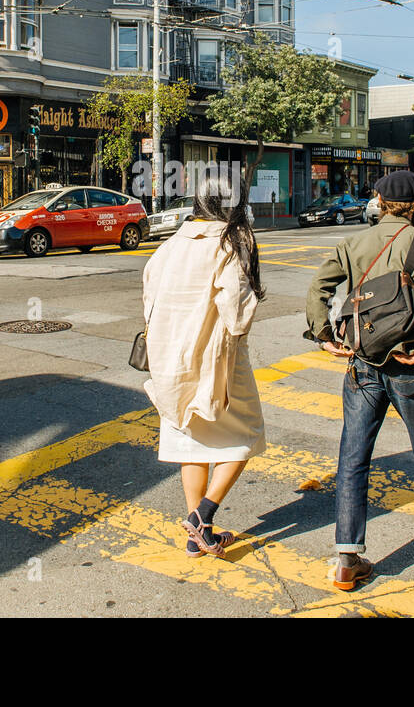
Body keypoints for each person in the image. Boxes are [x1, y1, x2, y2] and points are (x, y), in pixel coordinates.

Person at [306, 170, 414, 592]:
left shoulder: (352, 243)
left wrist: (324, 337)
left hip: (362, 361)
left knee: (354, 454)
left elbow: (318, 290)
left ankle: (347, 557)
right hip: (407, 358)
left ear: (378, 201)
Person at [141, 166, 265, 558]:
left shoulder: (173, 242)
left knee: (189, 443)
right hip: (218, 361)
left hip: (170, 361)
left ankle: (197, 533)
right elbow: (236, 315)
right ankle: (203, 515)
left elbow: (149, 298)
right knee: (246, 436)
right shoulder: (230, 243)